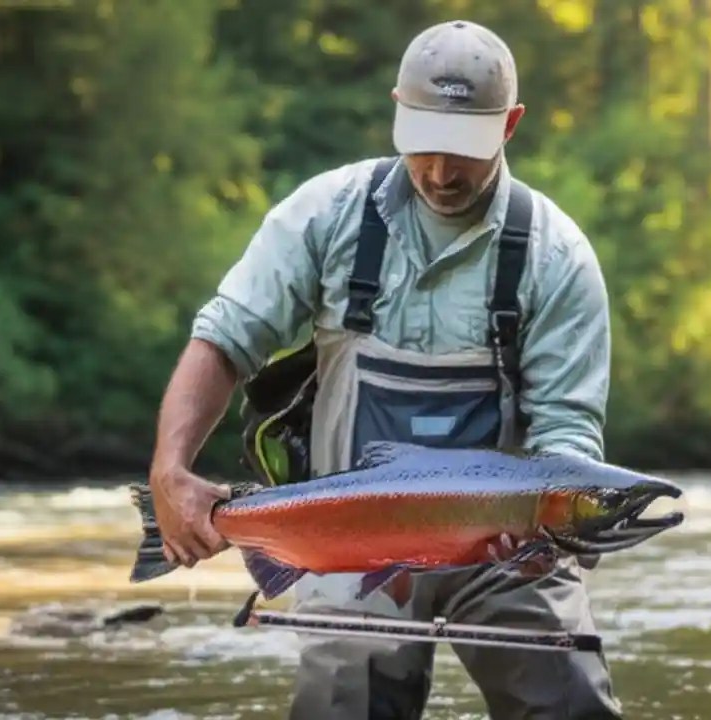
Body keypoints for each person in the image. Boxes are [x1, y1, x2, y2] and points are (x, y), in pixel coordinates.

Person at [146, 18, 621, 720]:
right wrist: (170, 469)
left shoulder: (556, 256)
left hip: (503, 557)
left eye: (463, 149)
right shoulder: (327, 214)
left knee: (570, 700)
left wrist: (542, 538)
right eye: (423, 143)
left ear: (510, 125)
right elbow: (223, 341)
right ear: (397, 108)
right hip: (352, 545)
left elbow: (569, 437)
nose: (439, 172)